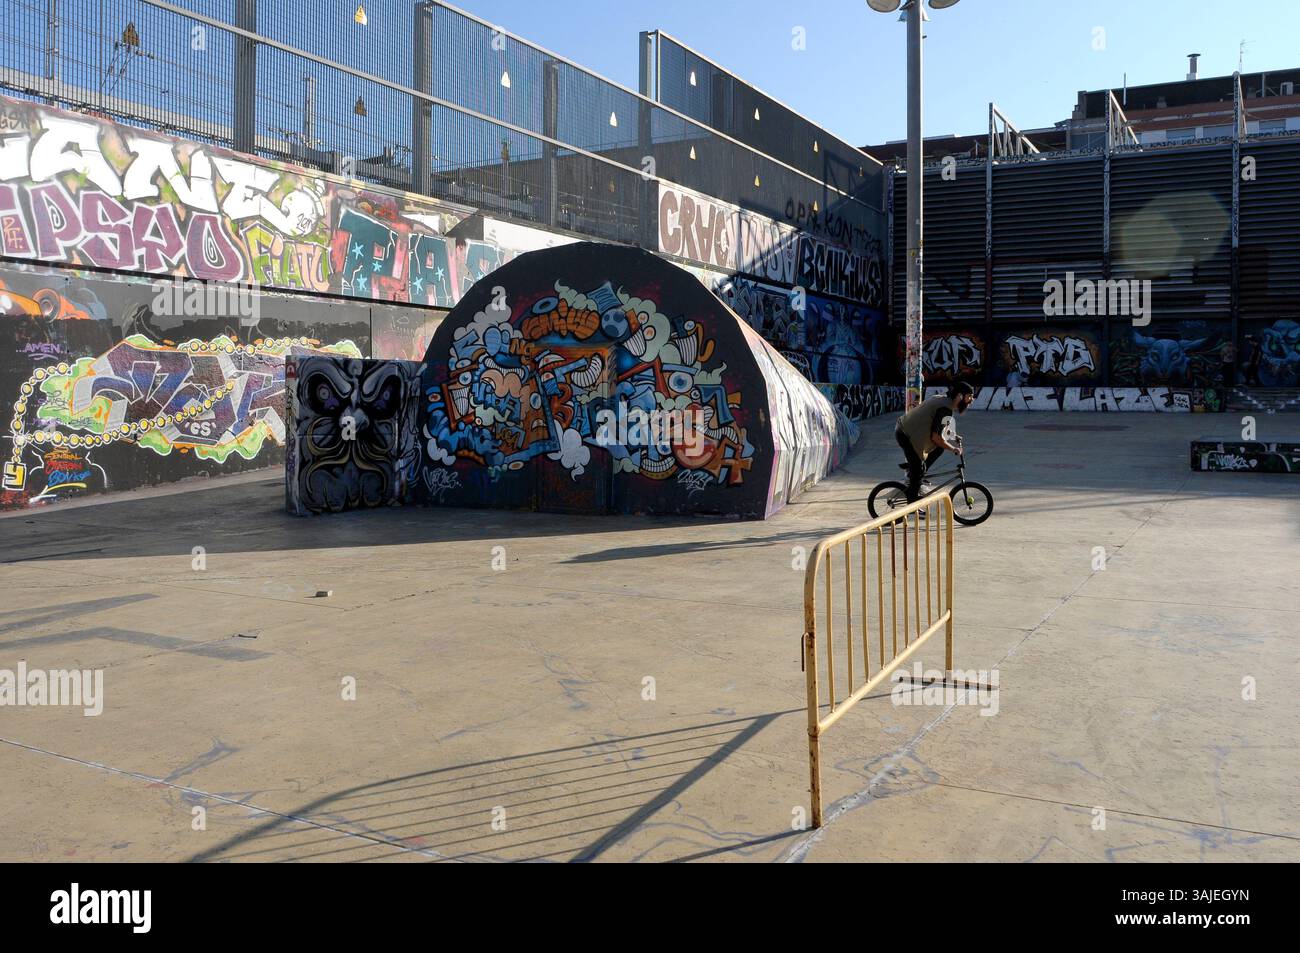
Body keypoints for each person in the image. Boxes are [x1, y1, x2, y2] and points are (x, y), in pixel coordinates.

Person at [895, 382, 974, 502]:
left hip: (907, 430)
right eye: (969, 396)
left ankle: (916, 470)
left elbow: (940, 426)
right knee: (917, 475)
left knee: (939, 448)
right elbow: (936, 437)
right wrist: (953, 449)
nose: (971, 400)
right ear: (959, 396)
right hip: (906, 434)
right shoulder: (945, 408)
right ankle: (912, 507)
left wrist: (953, 436)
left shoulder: (945, 401)